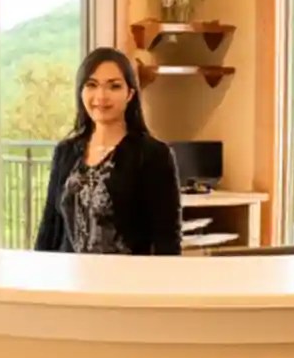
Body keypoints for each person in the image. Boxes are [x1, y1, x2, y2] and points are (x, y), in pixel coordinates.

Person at [34, 47, 183, 255]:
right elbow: (50, 227)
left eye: (114, 86)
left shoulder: (153, 155)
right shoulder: (65, 152)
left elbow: (167, 239)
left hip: (125, 282)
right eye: (92, 85)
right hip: (68, 280)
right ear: (81, 92)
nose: (101, 96)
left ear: (130, 94)